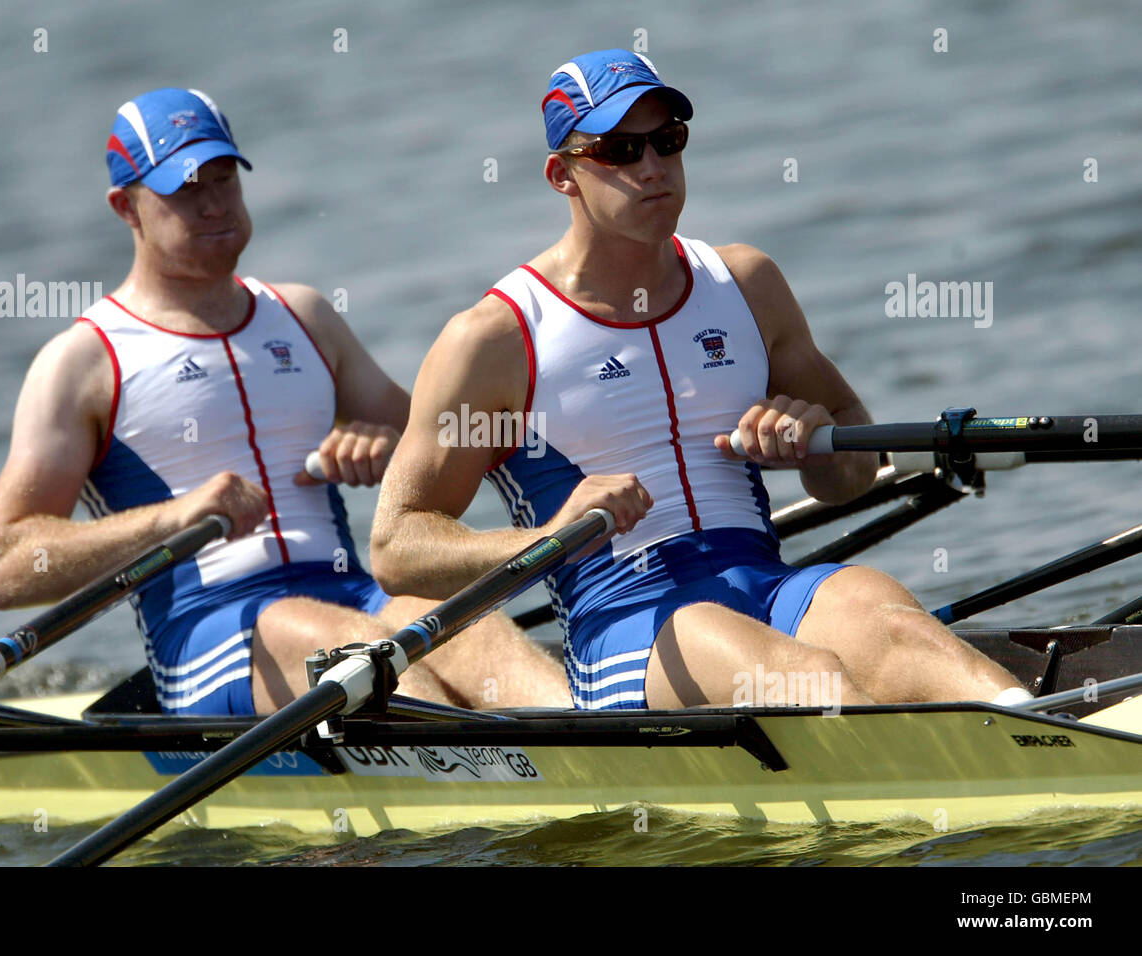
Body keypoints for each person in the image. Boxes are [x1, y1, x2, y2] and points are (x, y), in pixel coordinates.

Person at [370, 51, 1031, 711]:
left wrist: (818, 445)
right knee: (807, 676)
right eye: (620, 150)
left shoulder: (746, 285)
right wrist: (547, 539)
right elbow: (397, 548)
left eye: (667, 140)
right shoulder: (494, 341)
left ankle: (1039, 727)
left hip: (768, 586)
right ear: (562, 175)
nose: (652, 167)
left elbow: (853, 472)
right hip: (630, 624)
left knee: (887, 614)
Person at [0, 87, 569, 715]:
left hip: (352, 598)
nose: (214, 204)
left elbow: (441, 444)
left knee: (461, 618)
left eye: (224, 178)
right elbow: (4, 567)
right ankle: (466, 756)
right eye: (185, 189)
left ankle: (588, 738)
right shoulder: (82, 364)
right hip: (208, 636)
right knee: (342, 642)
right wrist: (173, 519)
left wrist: (382, 447)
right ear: (126, 207)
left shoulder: (304, 316)